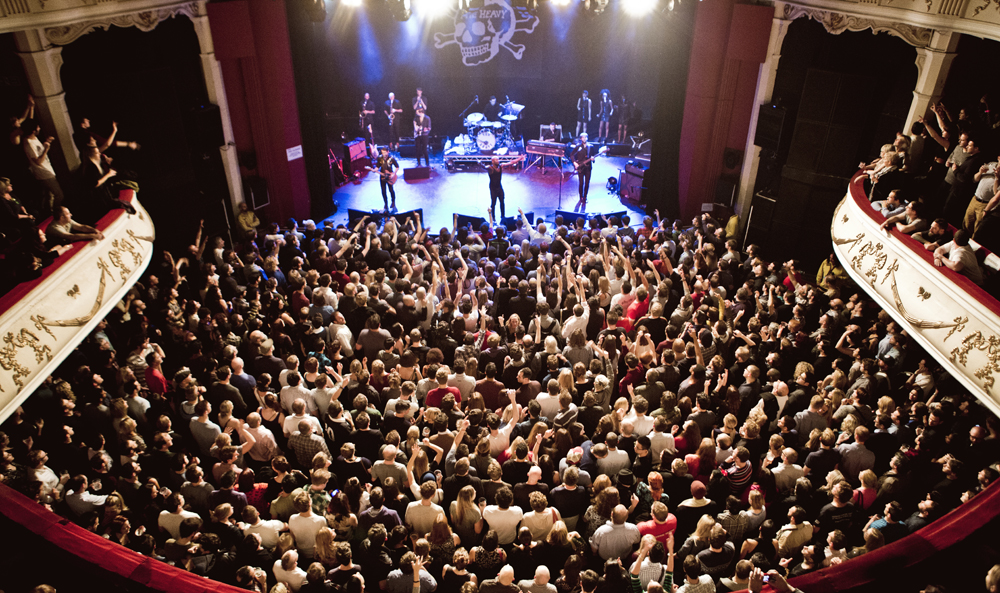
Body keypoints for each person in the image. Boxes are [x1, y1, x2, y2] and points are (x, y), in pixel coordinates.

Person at [22, 119, 64, 215]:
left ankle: (50, 213)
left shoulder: (34, 138)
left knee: (49, 196)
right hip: (44, 173)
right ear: (33, 130)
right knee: (59, 195)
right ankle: (58, 215)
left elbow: (39, 153)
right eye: (38, 127)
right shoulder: (28, 143)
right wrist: (46, 149)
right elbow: (38, 161)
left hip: (47, 170)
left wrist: (46, 143)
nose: (39, 128)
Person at [483, 155, 525, 223]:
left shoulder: (501, 166)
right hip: (493, 188)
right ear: (493, 161)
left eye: (498, 160)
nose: (498, 161)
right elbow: (484, 167)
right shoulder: (490, 168)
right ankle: (493, 217)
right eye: (496, 160)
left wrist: (519, 159)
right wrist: (480, 163)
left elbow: (511, 162)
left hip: (499, 187)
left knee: (502, 202)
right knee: (493, 203)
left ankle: (503, 216)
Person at [571, 134, 594, 213]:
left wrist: (593, 159)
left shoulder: (591, 146)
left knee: (587, 183)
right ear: (581, 138)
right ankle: (581, 197)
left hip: (588, 167)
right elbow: (571, 155)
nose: (585, 138)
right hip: (580, 167)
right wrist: (574, 163)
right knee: (581, 183)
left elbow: (593, 156)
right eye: (583, 137)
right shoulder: (578, 146)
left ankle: (585, 197)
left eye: (586, 137)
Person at [375, 146, 400, 212]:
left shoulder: (391, 159)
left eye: (385, 152)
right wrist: (375, 170)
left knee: (391, 190)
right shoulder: (380, 158)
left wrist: (394, 174)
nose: (384, 154)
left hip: (389, 176)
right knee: (383, 191)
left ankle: (393, 202)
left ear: (388, 152)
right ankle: (385, 203)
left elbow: (397, 166)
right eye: (382, 152)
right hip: (382, 176)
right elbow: (377, 166)